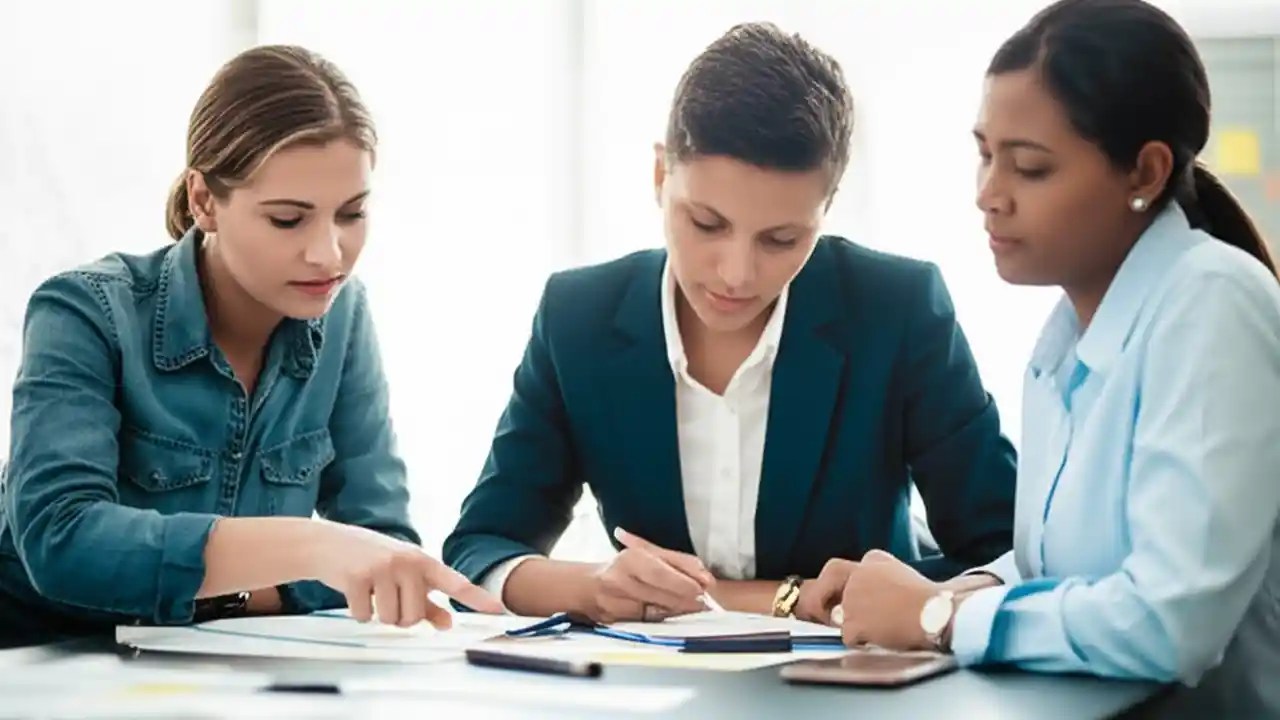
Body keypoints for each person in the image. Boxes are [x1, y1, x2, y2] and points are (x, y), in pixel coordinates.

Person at [443, 22, 1017, 624]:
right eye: (707, 224)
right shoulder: (578, 316)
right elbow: (479, 550)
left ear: (829, 204)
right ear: (662, 176)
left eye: (781, 238)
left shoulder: (897, 309)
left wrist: (799, 600)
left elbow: (1004, 552)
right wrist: (596, 588)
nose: (737, 273)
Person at [807, 0, 1280, 715]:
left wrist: (939, 621)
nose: (988, 195)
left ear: (1144, 172)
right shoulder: (1068, 335)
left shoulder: (1212, 301)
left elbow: (1169, 620)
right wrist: (946, 591)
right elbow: (1057, 566)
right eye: (984, 154)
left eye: (1028, 167)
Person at [0, 45, 500, 648]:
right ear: (205, 200)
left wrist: (266, 579)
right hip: (43, 662)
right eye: (288, 220)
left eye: (352, 214)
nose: (328, 254)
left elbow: (383, 542)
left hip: (221, 667)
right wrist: (311, 548)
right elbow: (62, 542)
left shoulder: (343, 312)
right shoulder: (85, 311)